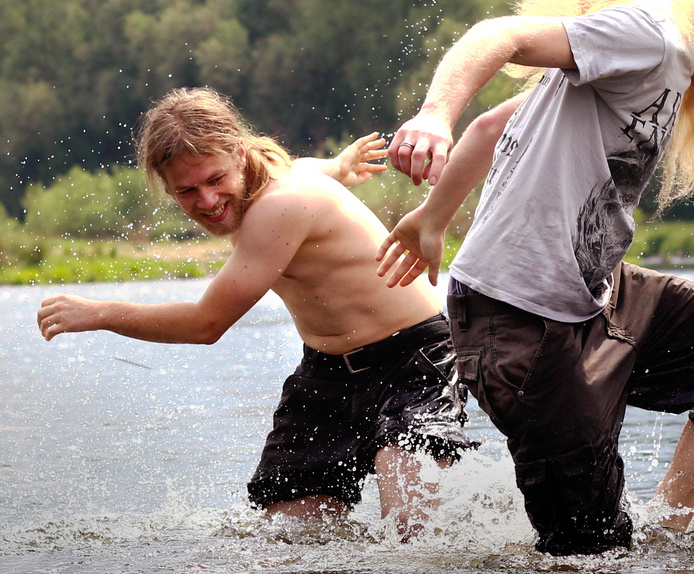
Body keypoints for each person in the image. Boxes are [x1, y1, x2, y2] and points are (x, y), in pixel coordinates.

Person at [377, 0, 694, 555]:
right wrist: (433, 114)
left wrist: (433, 219)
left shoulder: (674, 61)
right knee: (588, 550)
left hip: (598, 297)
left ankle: (666, 532)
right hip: (518, 319)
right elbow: (499, 35)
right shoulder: (654, 32)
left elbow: (492, 127)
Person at [37, 88, 477, 540]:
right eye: (187, 191)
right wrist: (339, 168)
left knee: (410, 539)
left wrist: (101, 312)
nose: (206, 201)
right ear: (167, 189)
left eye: (214, 180)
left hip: (412, 361)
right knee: (291, 542)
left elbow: (206, 324)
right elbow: (314, 168)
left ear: (240, 154)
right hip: (325, 377)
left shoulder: (280, 204)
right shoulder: (278, 175)